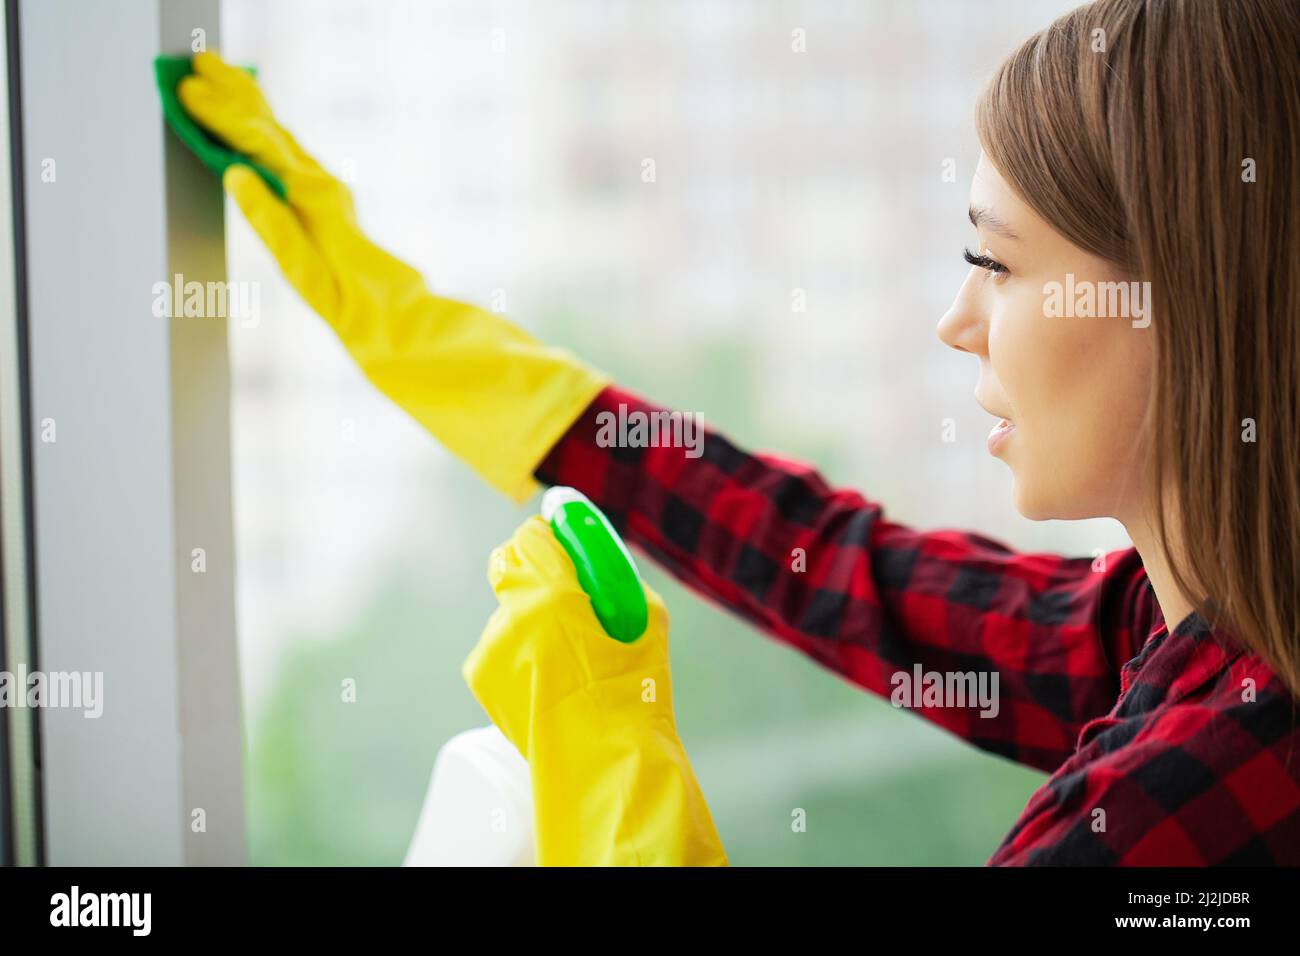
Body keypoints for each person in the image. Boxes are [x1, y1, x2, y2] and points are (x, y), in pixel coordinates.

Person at [178, 0, 1300, 865]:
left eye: (995, 263)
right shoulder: (1183, 626)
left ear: (1185, 307)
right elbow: (838, 568)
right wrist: (435, 346)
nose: (956, 322)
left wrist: (615, 751)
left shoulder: (1189, 792)